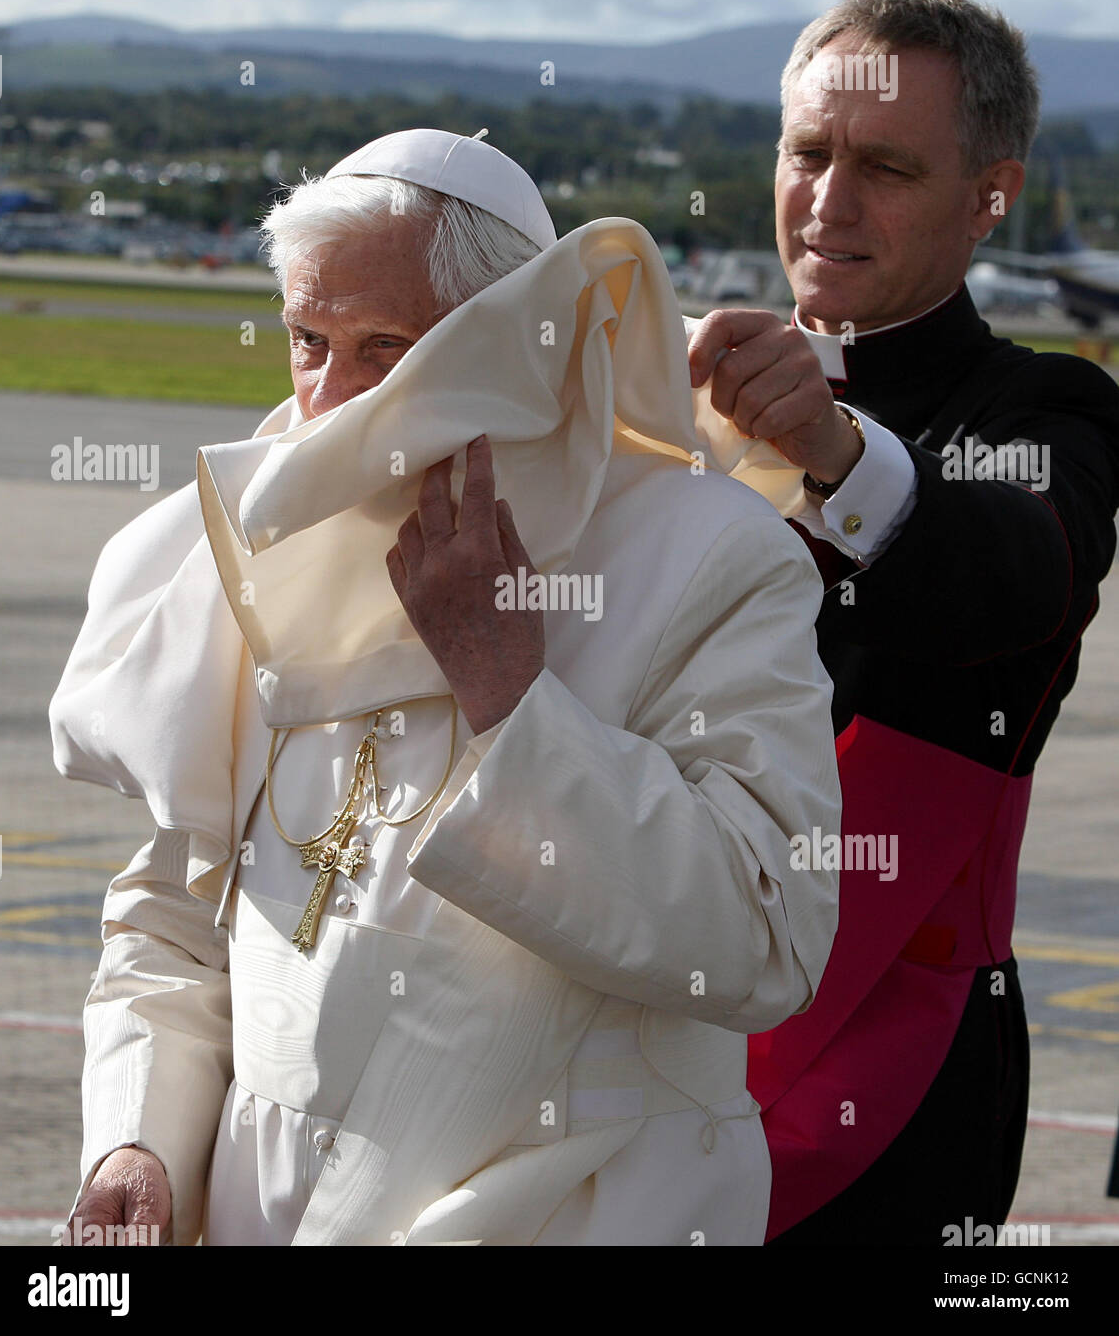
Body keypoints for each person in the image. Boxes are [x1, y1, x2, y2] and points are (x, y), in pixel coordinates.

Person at [51, 129, 841, 1246]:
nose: (328, 401)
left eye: (384, 349)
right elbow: (177, 918)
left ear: (508, 343)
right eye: (306, 340)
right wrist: (136, 1135)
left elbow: (767, 938)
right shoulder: (250, 546)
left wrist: (512, 699)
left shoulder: (700, 548)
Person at [687, 0, 1119, 1245]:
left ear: (992, 196)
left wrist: (832, 449)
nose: (826, 202)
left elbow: (1007, 571)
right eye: (807, 153)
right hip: (654, 1030)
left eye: (882, 166)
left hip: (887, 1075)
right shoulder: (675, 398)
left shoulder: (1047, 411)